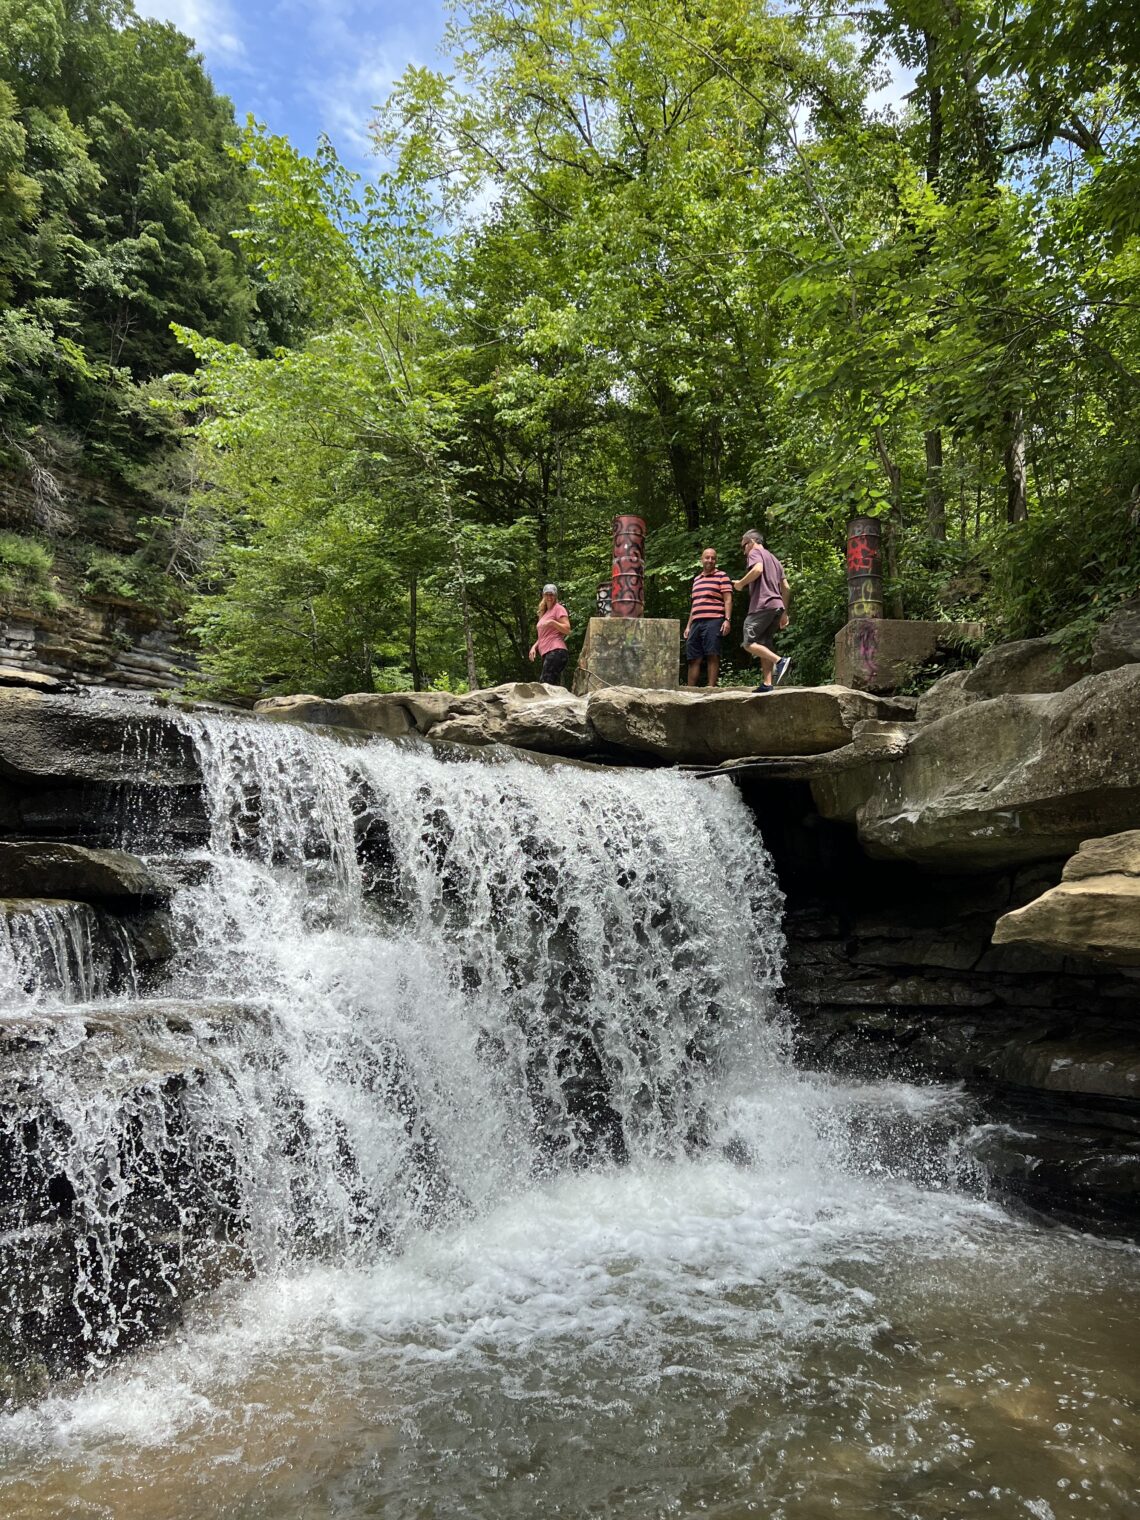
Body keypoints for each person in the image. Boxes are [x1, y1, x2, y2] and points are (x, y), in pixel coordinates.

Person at [732, 529, 791, 692]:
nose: (744, 551)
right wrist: (784, 612)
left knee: (749, 643)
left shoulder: (755, 552)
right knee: (764, 643)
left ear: (751, 542)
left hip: (762, 605)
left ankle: (780, 661)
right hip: (776, 606)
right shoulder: (775, 559)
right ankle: (767, 683)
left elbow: (757, 570)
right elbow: (786, 587)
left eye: (744, 546)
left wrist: (741, 584)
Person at [683, 547, 733, 687]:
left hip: (714, 620)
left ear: (716, 560)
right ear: (701, 559)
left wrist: (727, 620)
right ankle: (690, 690)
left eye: (713, 558)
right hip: (696, 622)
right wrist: (688, 626)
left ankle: (711, 687)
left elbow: (728, 599)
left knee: (712, 654)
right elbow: (695, 605)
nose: (710, 560)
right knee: (693, 657)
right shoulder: (696, 580)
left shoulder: (722, 576)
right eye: (707, 557)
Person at [529, 582, 571, 685]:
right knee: (550, 685)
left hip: (556, 651)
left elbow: (567, 629)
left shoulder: (558, 608)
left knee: (545, 684)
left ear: (555, 596)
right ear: (543, 595)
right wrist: (534, 647)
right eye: (547, 594)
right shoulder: (544, 613)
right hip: (547, 652)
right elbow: (543, 636)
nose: (549, 597)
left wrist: (553, 622)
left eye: (551, 594)